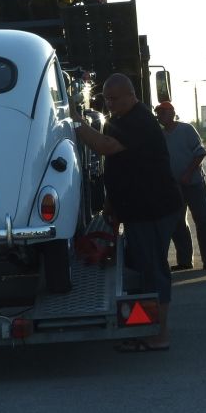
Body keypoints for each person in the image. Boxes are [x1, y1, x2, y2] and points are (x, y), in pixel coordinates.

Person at [70, 75, 182, 352]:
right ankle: (149, 330)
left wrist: (74, 121)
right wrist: (111, 202)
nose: (110, 103)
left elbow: (106, 147)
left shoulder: (139, 120)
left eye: (115, 98)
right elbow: (121, 165)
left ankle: (160, 335)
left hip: (152, 209)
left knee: (153, 270)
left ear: (131, 95)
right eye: (106, 98)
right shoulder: (122, 119)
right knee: (145, 269)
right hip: (138, 209)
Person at [154, 101, 206, 271]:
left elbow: (200, 152)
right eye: (158, 113)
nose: (160, 116)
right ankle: (185, 261)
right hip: (174, 187)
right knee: (177, 223)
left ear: (172, 112)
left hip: (194, 184)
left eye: (163, 112)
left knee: (203, 220)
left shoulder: (186, 129)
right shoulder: (160, 135)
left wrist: (188, 173)